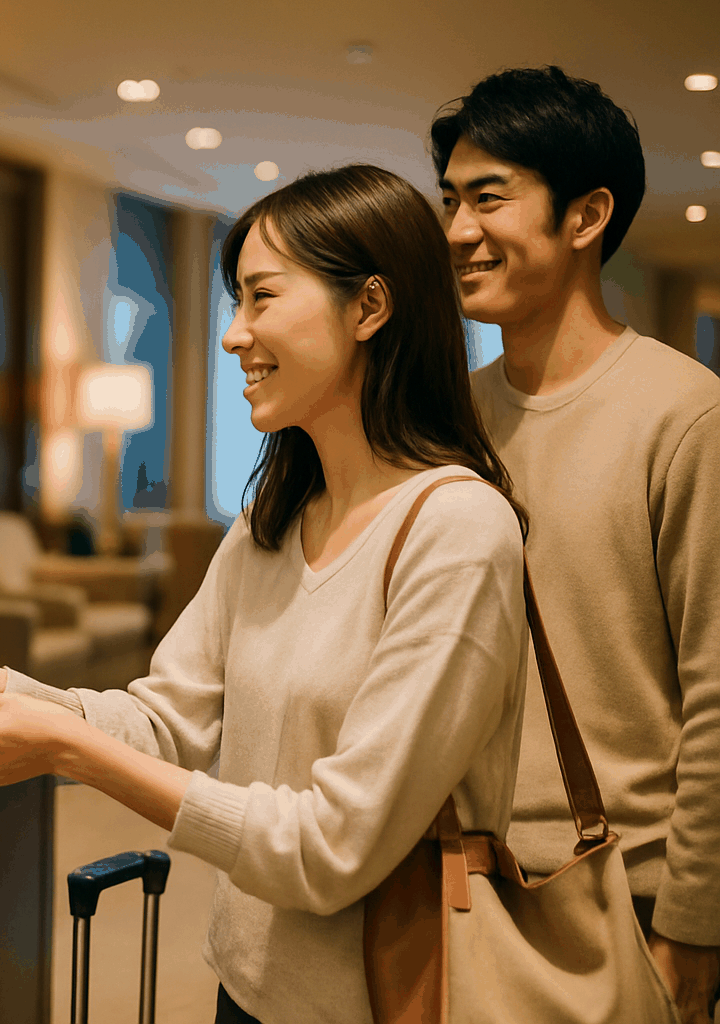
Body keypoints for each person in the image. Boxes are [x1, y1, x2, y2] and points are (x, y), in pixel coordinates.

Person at [0, 165, 530, 1024]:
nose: (233, 335)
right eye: (234, 302)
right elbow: (165, 725)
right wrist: (3, 687)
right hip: (245, 984)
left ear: (369, 308)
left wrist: (67, 750)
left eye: (261, 298)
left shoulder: (459, 531)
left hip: (381, 1002)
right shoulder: (274, 516)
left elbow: (333, 847)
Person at [433, 65, 720, 1023]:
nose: (458, 231)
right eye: (449, 202)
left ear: (587, 215)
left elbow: (719, 694)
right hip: (462, 882)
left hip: (624, 897)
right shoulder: (452, 423)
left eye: (488, 198)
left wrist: (691, 928)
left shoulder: (686, 416)